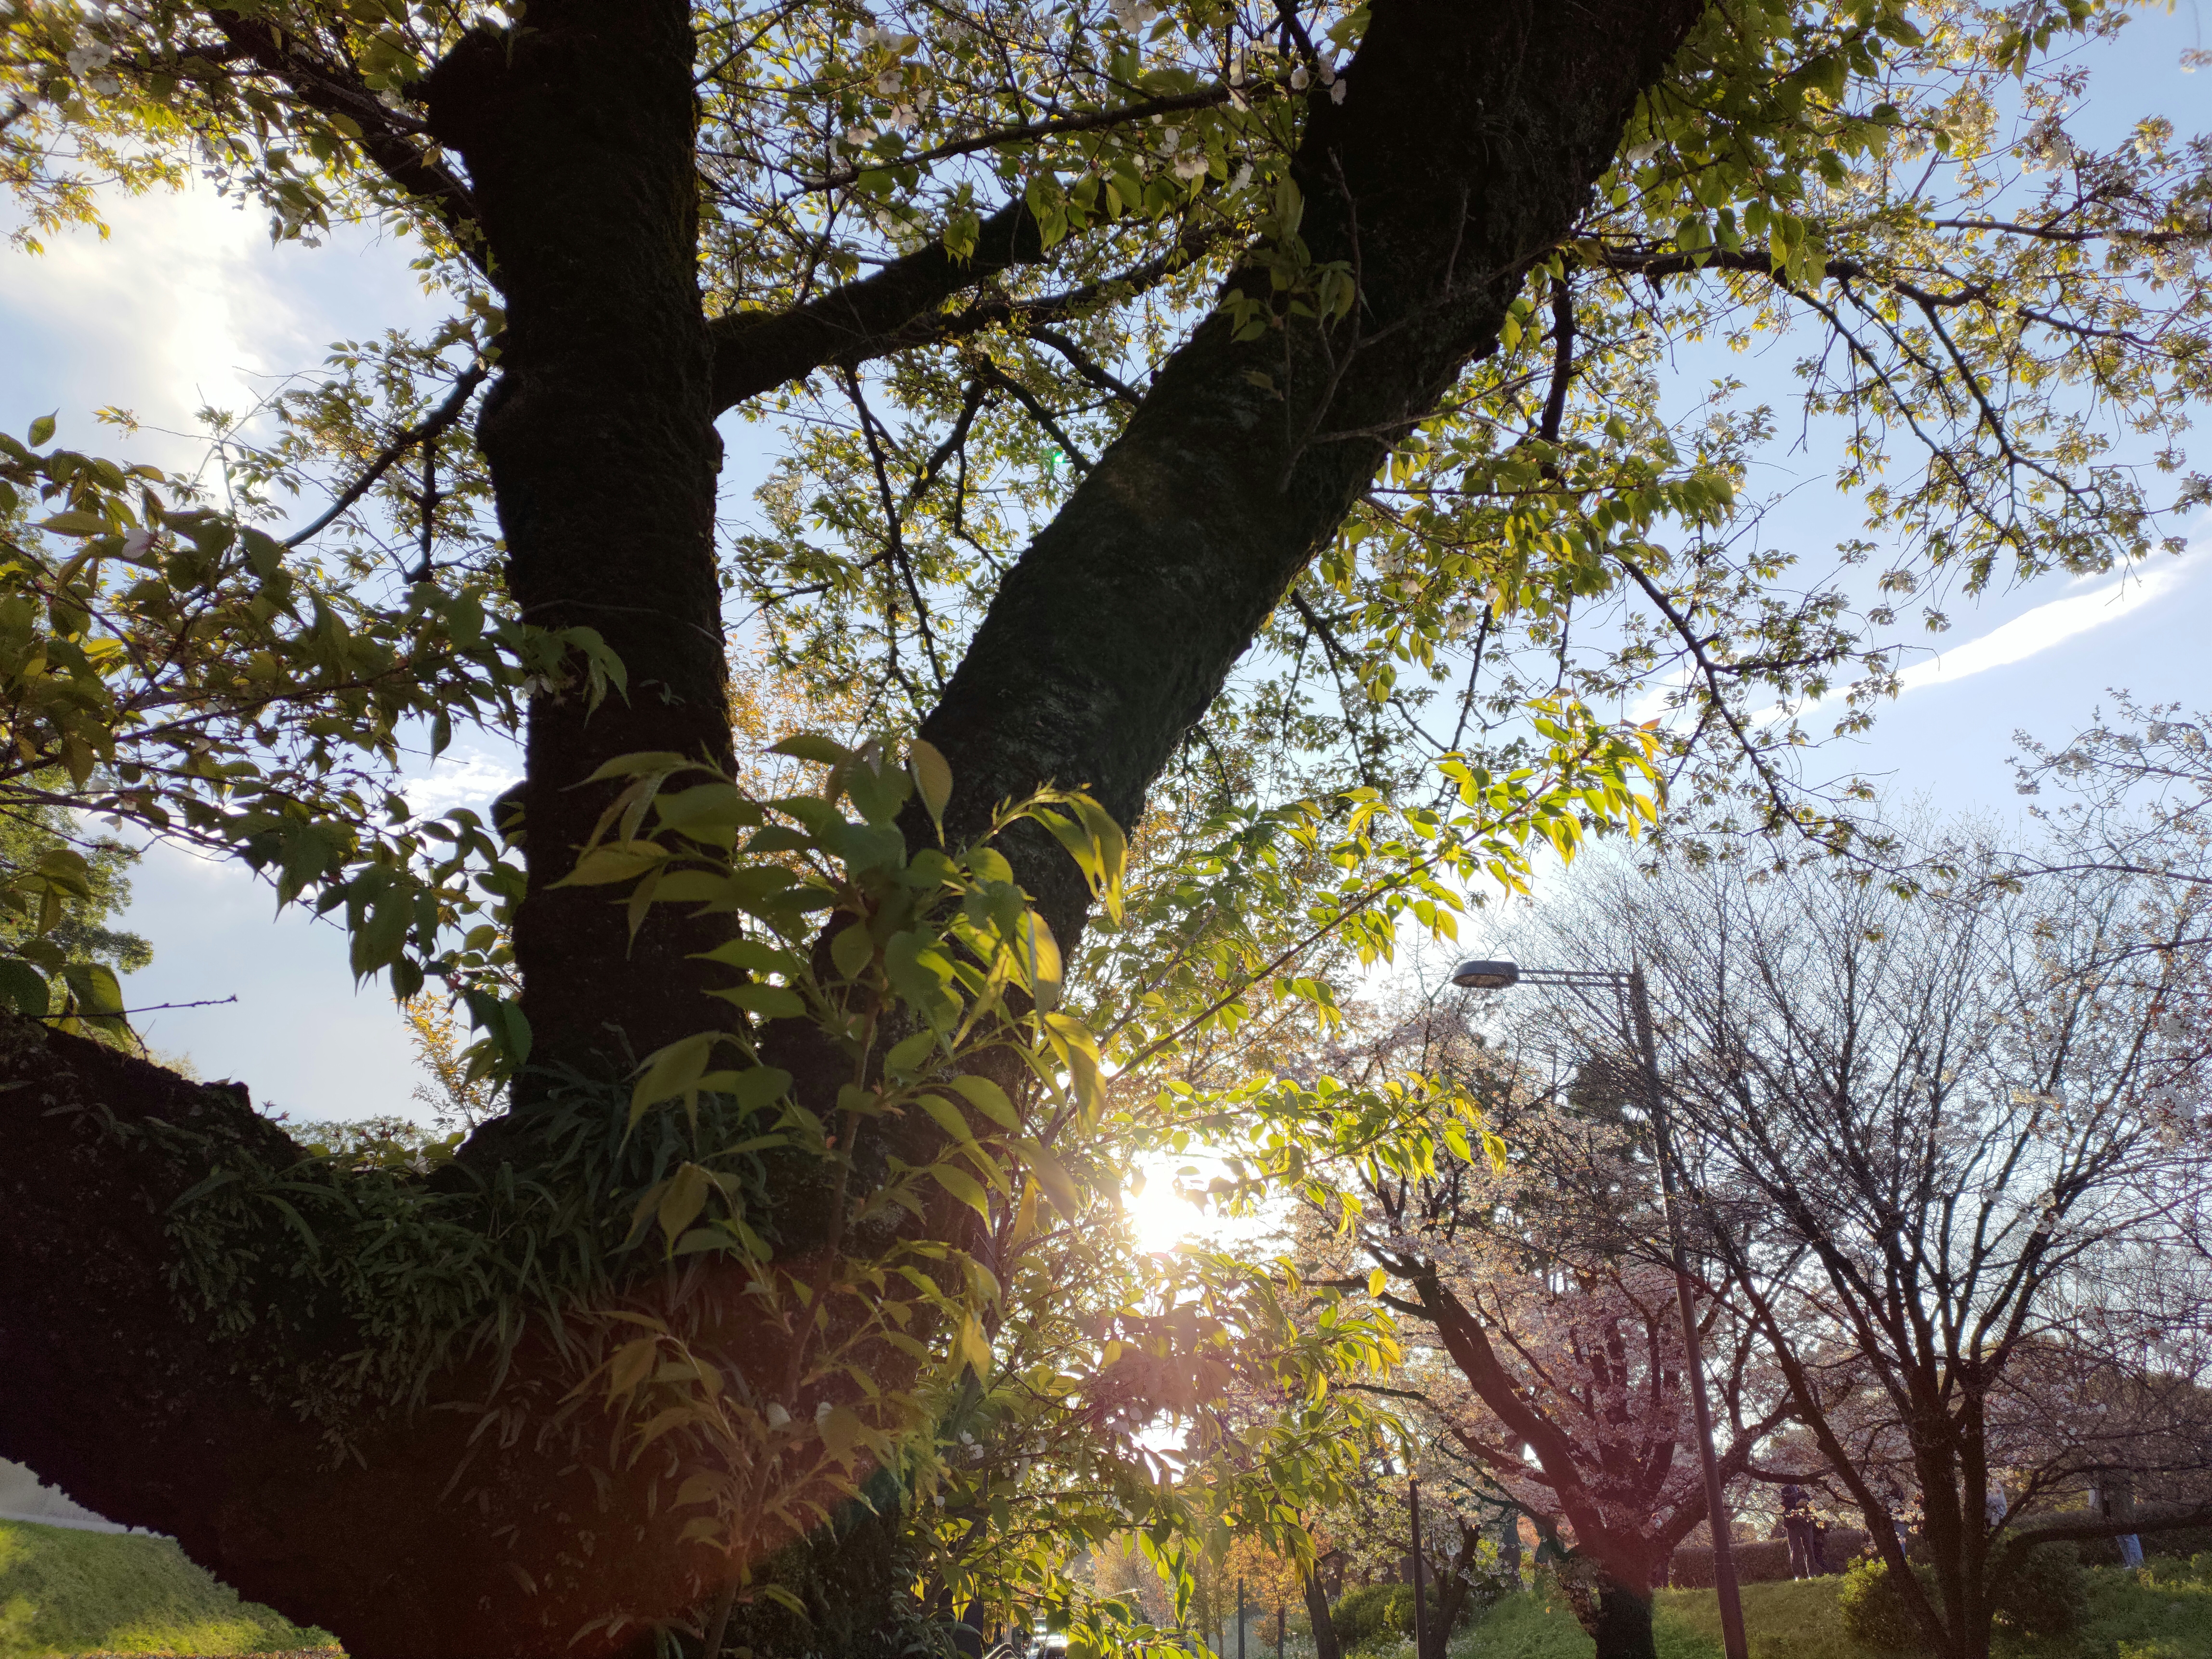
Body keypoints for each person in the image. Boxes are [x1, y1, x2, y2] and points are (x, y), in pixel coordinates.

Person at [1781, 1482, 1823, 1579]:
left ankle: (1812, 1574)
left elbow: (1811, 1501)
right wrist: (1796, 1504)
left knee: (1809, 1548)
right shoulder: (1784, 1491)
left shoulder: (1804, 1489)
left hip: (1805, 1521)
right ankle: (1798, 1575)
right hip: (1792, 1523)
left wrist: (1807, 1503)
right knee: (1795, 1549)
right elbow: (1782, 1506)